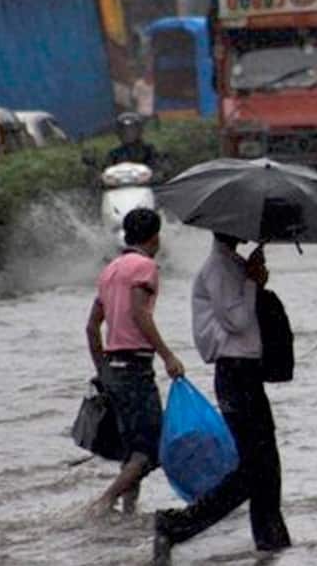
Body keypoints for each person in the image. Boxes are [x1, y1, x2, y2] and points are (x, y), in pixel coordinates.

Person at [153, 233, 290, 564]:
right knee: (254, 469)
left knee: (266, 466)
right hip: (235, 374)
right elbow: (237, 321)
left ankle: (271, 542)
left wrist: (254, 278)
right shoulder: (218, 268)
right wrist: (252, 282)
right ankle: (177, 525)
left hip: (246, 373)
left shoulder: (233, 265)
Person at [84, 207, 185, 517]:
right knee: (151, 449)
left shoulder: (110, 270)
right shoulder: (145, 267)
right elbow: (141, 314)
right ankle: (105, 502)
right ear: (155, 238)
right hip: (136, 368)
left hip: (114, 368)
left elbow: (92, 327)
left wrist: (102, 369)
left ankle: (129, 513)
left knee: (134, 450)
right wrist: (168, 355)